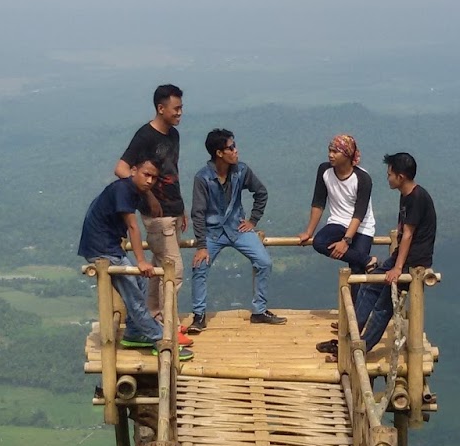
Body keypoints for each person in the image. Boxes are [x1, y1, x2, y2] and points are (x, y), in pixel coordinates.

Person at [78, 157, 193, 358]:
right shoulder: (124, 191)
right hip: (101, 248)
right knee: (135, 298)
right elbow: (133, 226)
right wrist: (141, 261)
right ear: (133, 171)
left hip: (109, 245)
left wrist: (153, 198)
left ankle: (133, 332)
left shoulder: (134, 191)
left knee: (140, 284)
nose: (149, 181)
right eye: (146, 174)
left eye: (153, 178)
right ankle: (162, 341)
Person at [326, 152, 436, 356]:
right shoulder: (406, 195)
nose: (388, 177)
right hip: (401, 257)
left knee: (382, 307)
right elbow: (403, 228)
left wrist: (397, 268)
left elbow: (408, 236)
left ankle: (359, 349)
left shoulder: (416, 198)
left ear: (400, 177)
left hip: (414, 262)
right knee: (370, 285)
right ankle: (352, 334)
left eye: (389, 174)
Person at [189, 130, 286, 332]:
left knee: (264, 262)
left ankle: (259, 311)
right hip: (213, 232)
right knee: (199, 267)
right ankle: (199, 316)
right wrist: (201, 245)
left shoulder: (241, 171)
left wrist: (252, 220)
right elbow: (197, 213)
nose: (236, 150)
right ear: (219, 153)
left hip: (237, 227)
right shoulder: (203, 178)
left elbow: (261, 192)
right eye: (231, 147)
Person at [114, 84, 186, 319]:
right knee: (173, 271)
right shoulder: (145, 136)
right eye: (175, 109)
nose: (179, 113)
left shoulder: (173, 135)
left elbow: (172, 172)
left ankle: (154, 315)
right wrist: (147, 194)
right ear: (160, 108)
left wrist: (181, 208)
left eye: (181, 108)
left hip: (173, 211)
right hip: (156, 215)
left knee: (160, 267)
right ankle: (170, 326)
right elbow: (122, 168)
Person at [297, 134, 376, 269]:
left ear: (347, 155)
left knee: (356, 272)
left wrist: (345, 241)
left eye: (335, 152)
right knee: (319, 243)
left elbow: (359, 213)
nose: (330, 155)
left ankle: (364, 264)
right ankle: (367, 260)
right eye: (329, 151)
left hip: (362, 227)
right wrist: (309, 232)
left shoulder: (363, 178)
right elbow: (318, 203)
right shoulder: (324, 171)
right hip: (338, 222)